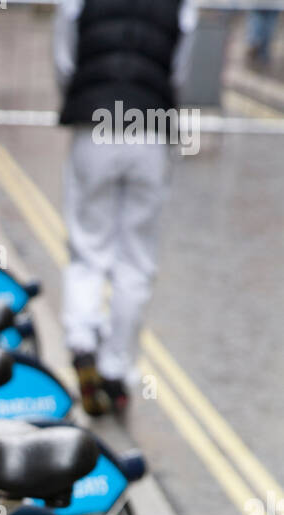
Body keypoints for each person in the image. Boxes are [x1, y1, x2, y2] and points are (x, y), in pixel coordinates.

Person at [54, 1, 196, 416]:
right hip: (149, 126)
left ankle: (82, 342)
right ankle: (116, 369)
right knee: (136, 257)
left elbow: (65, 57)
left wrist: (79, 98)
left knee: (87, 248)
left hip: (94, 119)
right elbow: (179, 70)